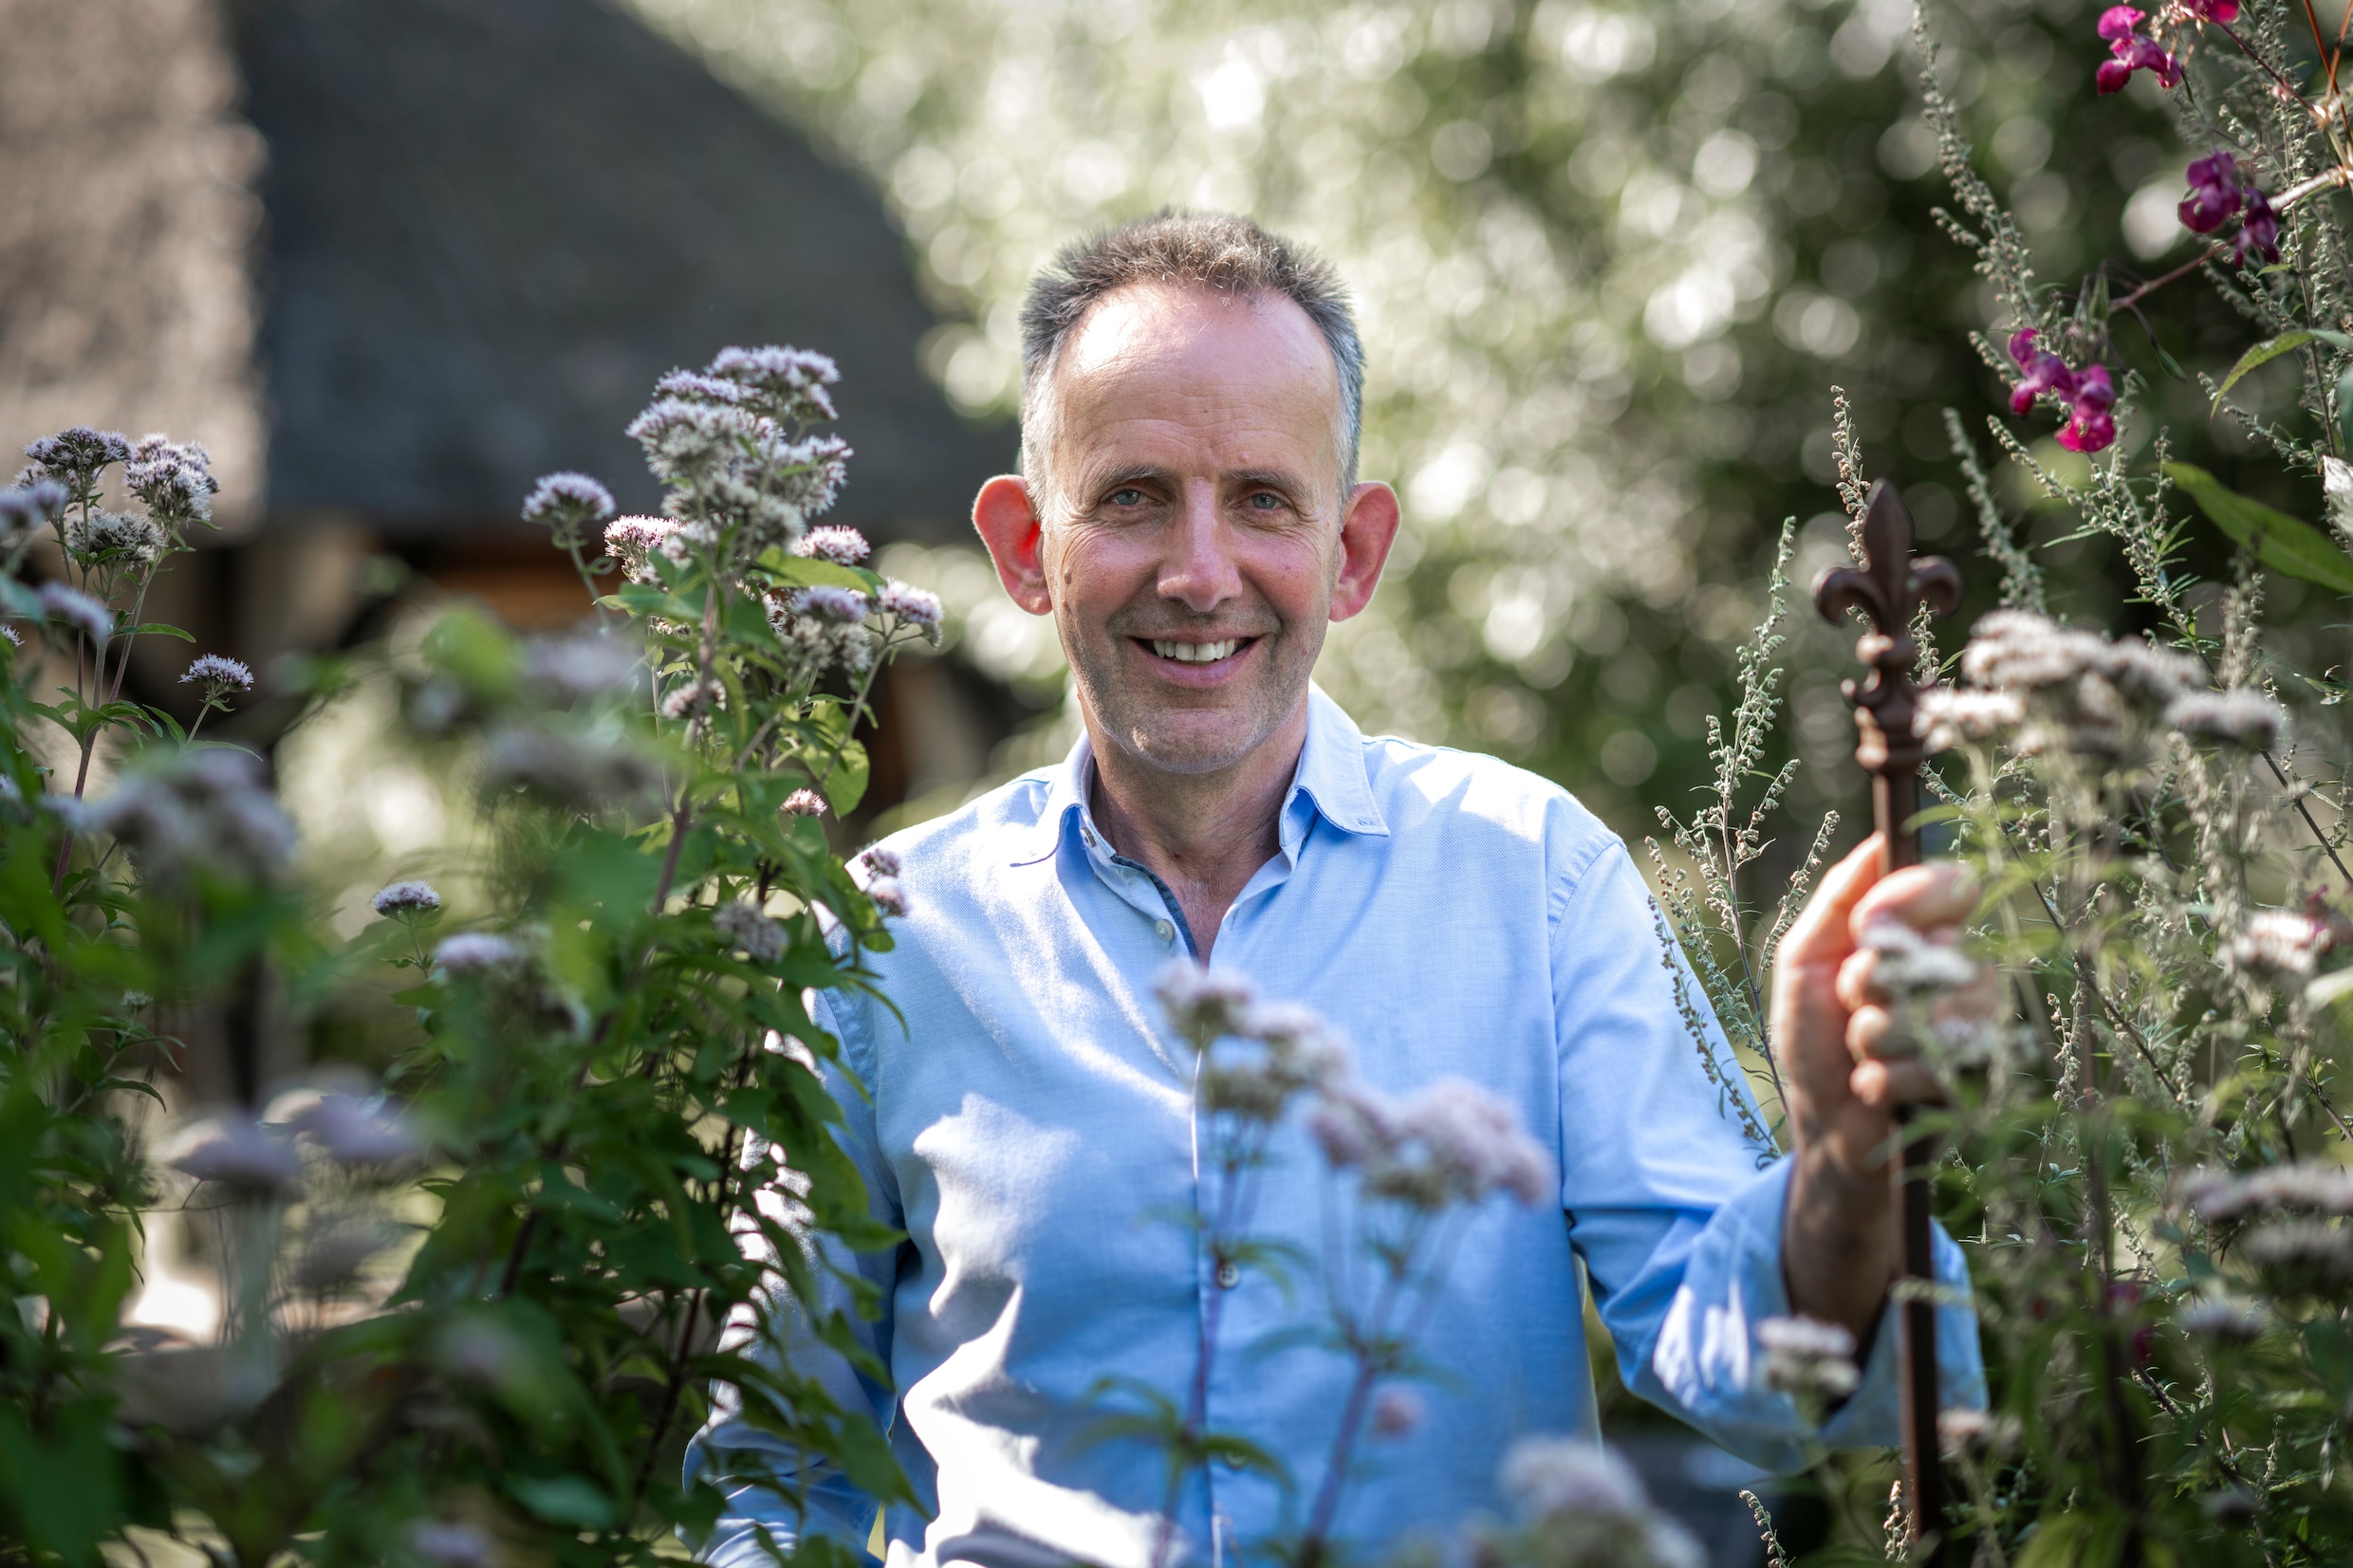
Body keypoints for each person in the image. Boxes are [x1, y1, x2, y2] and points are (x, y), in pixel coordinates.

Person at [689, 212, 1986, 1566]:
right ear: (1028, 548)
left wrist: (1842, 1159)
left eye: (1262, 498)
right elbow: (773, 1470)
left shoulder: (1535, 879)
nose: (1200, 573)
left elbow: (1747, 1374)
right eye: (1132, 495)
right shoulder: (888, 936)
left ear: (1353, 554)